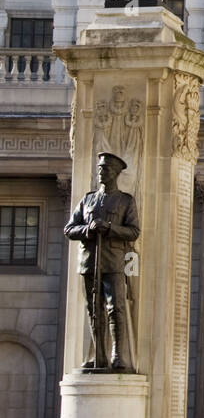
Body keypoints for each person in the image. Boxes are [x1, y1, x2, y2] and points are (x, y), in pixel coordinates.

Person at [64, 152, 140, 371]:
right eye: (99, 168)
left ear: (115, 173)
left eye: (105, 169)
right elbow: (69, 229)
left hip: (113, 262)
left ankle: (118, 355)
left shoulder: (125, 201)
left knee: (115, 309)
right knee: (93, 309)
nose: (101, 172)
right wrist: (88, 229)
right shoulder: (87, 199)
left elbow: (134, 231)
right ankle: (99, 355)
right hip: (89, 262)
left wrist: (110, 228)